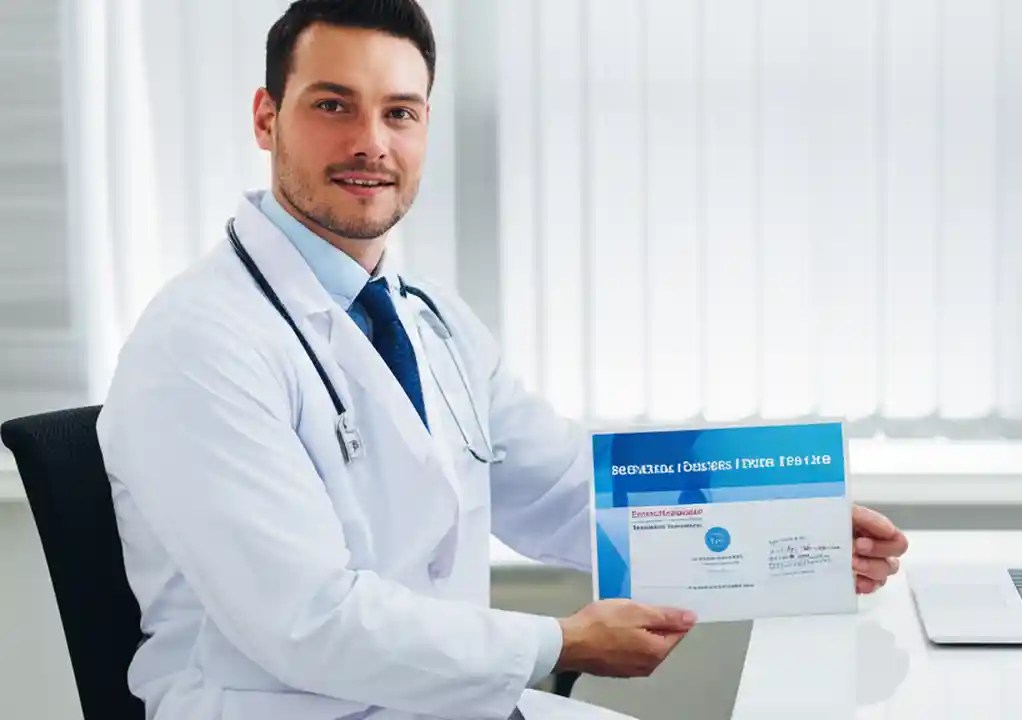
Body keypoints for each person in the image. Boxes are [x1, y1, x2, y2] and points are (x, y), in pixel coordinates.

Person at [96, 1, 910, 718]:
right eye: (333, 105)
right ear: (266, 118)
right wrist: (558, 643)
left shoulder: (431, 320)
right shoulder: (200, 344)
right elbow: (306, 620)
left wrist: (784, 533)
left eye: (400, 113)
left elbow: (562, 491)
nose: (369, 143)